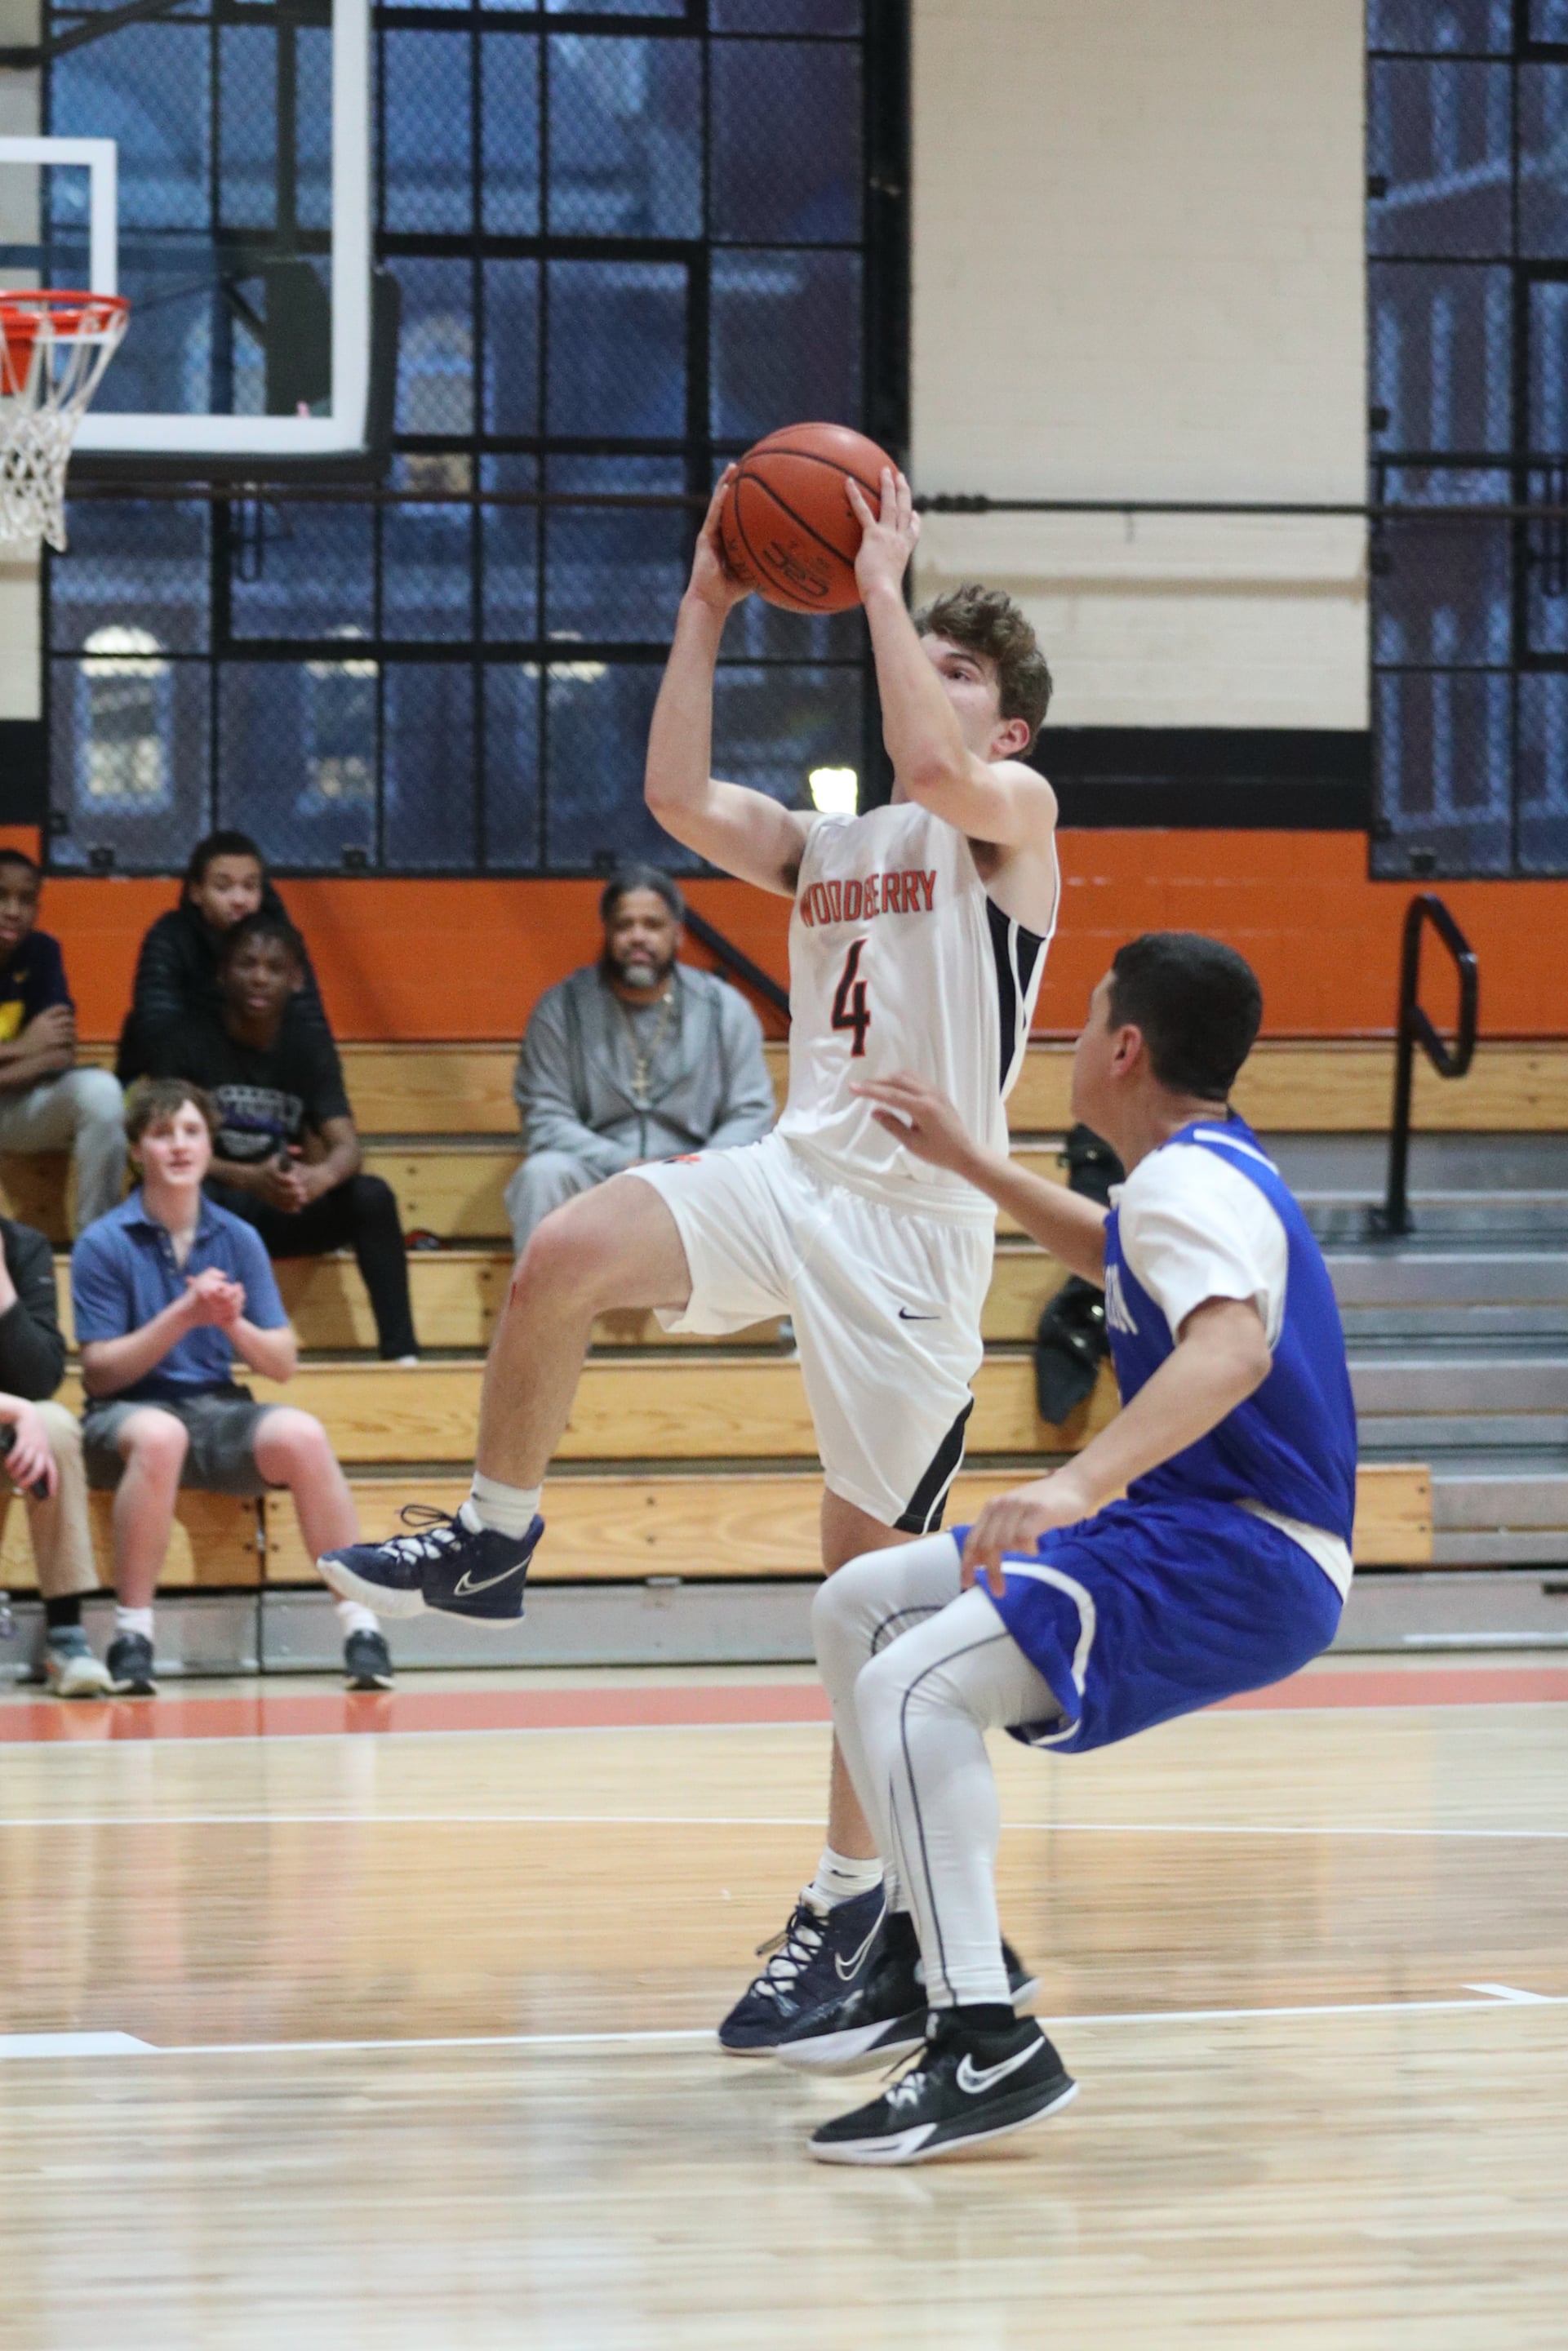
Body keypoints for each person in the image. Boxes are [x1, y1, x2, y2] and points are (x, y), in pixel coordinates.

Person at [318, 464, 1062, 2051]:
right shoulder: (837, 842)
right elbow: (671, 803)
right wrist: (703, 607)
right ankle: (494, 1537)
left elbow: (927, 755)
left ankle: (850, 1904)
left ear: (1009, 733)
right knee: (560, 1256)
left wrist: (878, 579)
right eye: (922, 654)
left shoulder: (1008, 827)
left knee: (862, 1603)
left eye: (959, 669)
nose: (925, 679)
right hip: (792, 1177)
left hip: (917, 1247)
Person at [771, 933, 1356, 2164]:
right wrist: (976, 1162)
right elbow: (1118, 1256)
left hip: (1243, 1549)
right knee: (862, 1607)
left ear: (1125, 1047)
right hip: (1199, 1529)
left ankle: (985, 2038)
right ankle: (927, 1950)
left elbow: (1231, 1349)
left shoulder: (1190, 1187)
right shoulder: (1189, 1180)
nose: (1073, 1039)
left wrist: (1076, 1481)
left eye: (1087, 1019)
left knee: (912, 1686)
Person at [70, 1079, 396, 1696]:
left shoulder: (238, 1237)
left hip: (215, 1410)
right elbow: (100, 1372)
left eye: (191, 1132)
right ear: (138, 1150)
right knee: (160, 1434)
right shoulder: (103, 1242)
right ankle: (132, 1634)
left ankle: (362, 1627)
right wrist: (182, 1316)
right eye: (162, 1134)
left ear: (208, 1143)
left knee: (302, 1432)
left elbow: (280, 1363)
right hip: (124, 1417)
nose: (179, 1145)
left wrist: (230, 1322)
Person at [146, 910, 419, 1362]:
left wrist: (320, 1179)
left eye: (274, 969)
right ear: (222, 973)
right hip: (215, 1205)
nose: (259, 978)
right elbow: (159, 1149)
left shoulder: (307, 1046)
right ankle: (194, 1361)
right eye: (247, 965)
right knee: (181, 1195)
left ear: (295, 980)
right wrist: (247, 1177)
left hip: (278, 1205)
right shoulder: (186, 1041)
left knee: (371, 1196)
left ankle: (402, 1355)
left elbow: (347, 1145)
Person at [505, 865, 776, 1256]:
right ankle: (543, 1316)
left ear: (677, 933)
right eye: (624, 925)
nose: (638, 937)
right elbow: (544, 1115)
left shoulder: (724, 1009)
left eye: (652, 925)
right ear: (608, 932)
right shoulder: (561, 1008)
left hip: (698, 1177)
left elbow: (751, 1114)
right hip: (598, 1172)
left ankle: (748, 1317)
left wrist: (696, 1169)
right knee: (542, 1175)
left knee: (764, 1185)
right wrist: (623, 1162)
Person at [116, 829, 331, 1087]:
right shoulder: (170, 935)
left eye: (250, 887)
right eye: (223, 887)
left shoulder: (282, 941)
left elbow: (311, 1023)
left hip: (259, 1080)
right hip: (169, 1078)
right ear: (196, 891)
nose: (239, 900)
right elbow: (157, 1028)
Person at [0, 1207, 109, 1696]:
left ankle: (66, 1637)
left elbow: (42, 1377)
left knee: (57, 1424)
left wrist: (2, 1290)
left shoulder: (23, 1246)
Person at [0, 847, 127, 1230]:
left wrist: (36, 1059)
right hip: (19, 1086)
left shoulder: (43, 953)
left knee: (102, 1092)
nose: (13, 910)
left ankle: (98, 1247)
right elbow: (42, 1051)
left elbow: (61, 1054)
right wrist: (25, 1049)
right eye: (1, 896)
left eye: (26, 900)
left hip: (20, 1108)